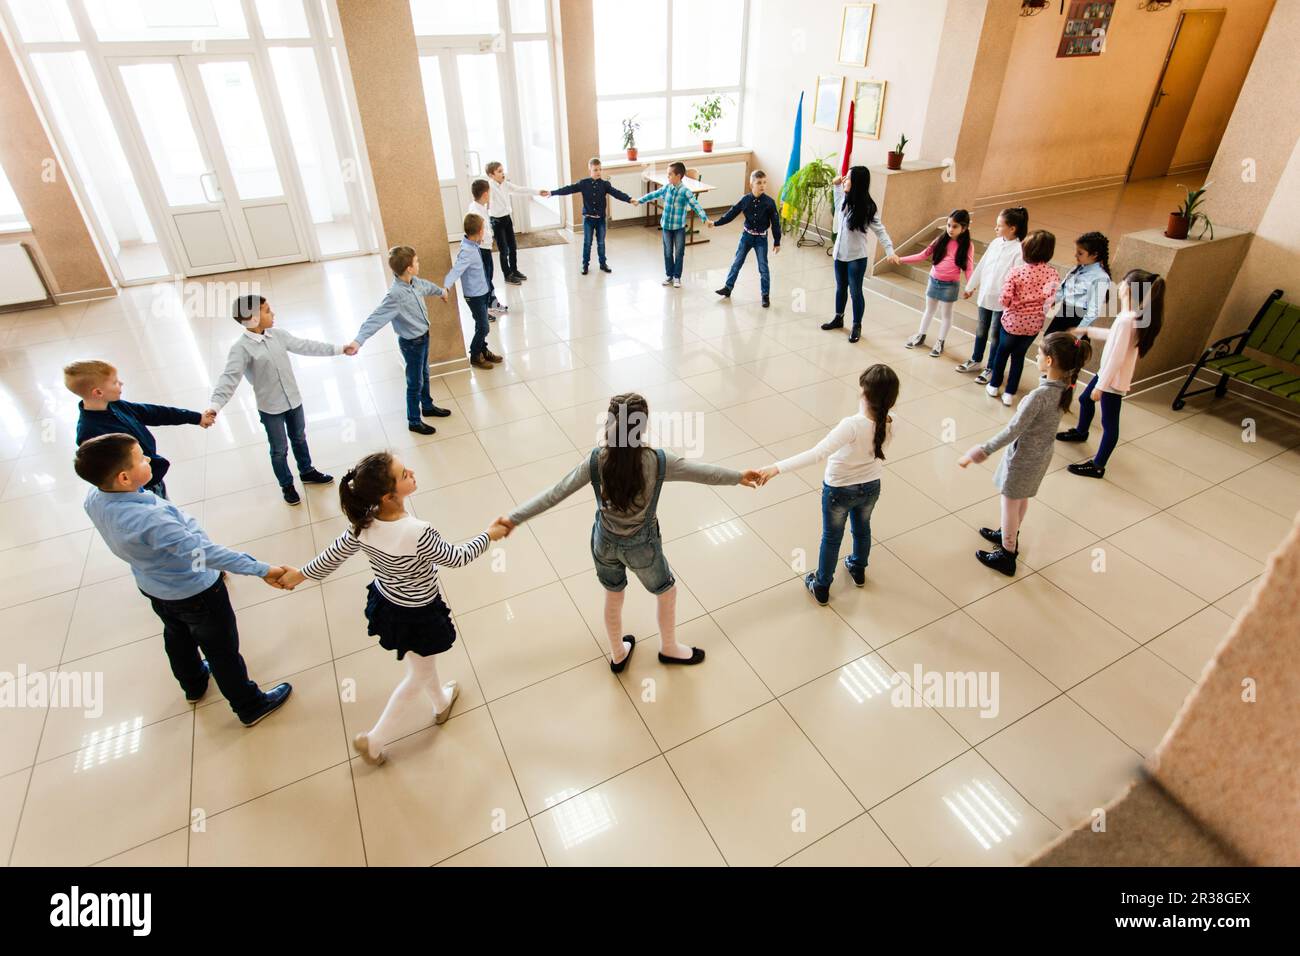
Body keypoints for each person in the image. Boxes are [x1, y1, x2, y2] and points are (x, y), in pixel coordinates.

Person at [497, 393, 764, 669]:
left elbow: (555, 492)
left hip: (604, 544)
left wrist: (512, 519)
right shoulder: (658, 461)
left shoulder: (596, 460)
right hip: (642, 547)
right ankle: (669, 648)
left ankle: (617, 654)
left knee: (613, 595)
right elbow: (703, 473)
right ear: (643, 427)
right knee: (666, 591)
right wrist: (739, 477)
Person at [279, 452, 509, 764]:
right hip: (419, 612)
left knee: (421, 664)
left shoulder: (364, 522)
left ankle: (441, 702)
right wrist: (489, 535)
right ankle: (375, 740)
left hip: (389, 604)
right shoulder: (418, 531)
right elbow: (457, 558)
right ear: (389, 496)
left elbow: (332, 556)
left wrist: (301, 574)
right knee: (418, 672)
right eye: (404, 475)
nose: (411, 472)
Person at [75, 433, 293, 726]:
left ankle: (193, 683)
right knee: (222, 651)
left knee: (177, 635)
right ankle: (249, 705)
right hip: (196, 591)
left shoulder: (95, 498)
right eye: (141, 457)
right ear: (125, 478)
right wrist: (262, 569)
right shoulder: (151, 521)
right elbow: (203, 554)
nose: (149, 459)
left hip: (154, 587)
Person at [756, 364, 899, 605]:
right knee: (862, 529)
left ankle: (822, 585)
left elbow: (817, 454)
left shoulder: (852, 425)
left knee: (832, 538)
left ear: (863, 392)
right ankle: (858, 568)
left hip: (839, 491)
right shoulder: (893, 421)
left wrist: (776, 468)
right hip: (872, 486)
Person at [958, 332, 1092, 575]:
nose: (1037, 357)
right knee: (1021, 498)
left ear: (1050, 361)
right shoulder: (1064, 387)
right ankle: (1008, 533)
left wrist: (979, 451)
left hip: (1023, 458)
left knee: (1009, 501)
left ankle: (1007, 553)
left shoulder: (1038, 396)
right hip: (1040, 455)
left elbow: (1012, 431)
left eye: (1040, 353)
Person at [206, 295, 342, 504]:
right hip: (271, 409)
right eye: (267, 310)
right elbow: (229, 378)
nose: (273, 313)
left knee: (299, 438)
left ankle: (306, 471)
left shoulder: (277, 335)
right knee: (279, 449)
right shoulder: (241, 349)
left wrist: (338, 349)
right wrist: (215, 406)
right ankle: (286, 485)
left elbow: (305, 345)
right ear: (252, 318)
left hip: (293, 401)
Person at [1057, 269, 1166, 479]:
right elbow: (1116, 338)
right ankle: (1081, 432)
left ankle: (1098, 465)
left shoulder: (1128, 320)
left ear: (1129, 288)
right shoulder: (1131, 317)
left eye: (1123, 282)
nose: (1120, 285)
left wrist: (1100, 386)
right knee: (1084, 400)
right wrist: (1088, 331)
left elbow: (1117, 355)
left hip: (1113, 380)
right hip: (1108, 374)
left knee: (1109, 424)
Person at [66, 359, 213, 500]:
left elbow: (155, 413)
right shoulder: (89, 434)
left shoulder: (117, 405)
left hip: (151, 475)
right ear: (98, 392)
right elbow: (104, 475)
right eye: (115, 382)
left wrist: (196, 418)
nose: (121, 383)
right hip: (138, 490)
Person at [345, 245, 454, 436]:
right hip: (412, 344)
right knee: (414, 382)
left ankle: (427, 406)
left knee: (424, 374)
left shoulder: (414, 282)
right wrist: (358, 341)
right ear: (409, 268)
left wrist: (441, 292)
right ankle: (413, 420)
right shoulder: (395, 295)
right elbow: (375, 318)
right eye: (416, 261)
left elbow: (427, 286)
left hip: (424, 338)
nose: (419, 263)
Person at [979, 229, 1061, 406]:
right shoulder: (1053, 274)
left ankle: (994, 385)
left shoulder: (1016, 272)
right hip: (1033, 325)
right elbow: (1051, 301)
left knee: (1002, 353)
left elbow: (1005, 299)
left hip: (1012, 323)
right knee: (1018, 357)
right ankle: (1010, 392)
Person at [821, 165, 895, 344]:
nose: (845, 179)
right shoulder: (846, 200)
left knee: (855, 292)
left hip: (856, 258)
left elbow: (881, 231)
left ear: (858, 183)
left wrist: (890, 250)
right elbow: (837, 202)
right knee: (840, 288)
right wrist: (837, 186)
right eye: (845, 177)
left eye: (849, 178)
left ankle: (856, 326)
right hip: (840, 255)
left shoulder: (868, 207)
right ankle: (838, 318)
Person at [957, 207, 1027, 374]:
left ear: (1012, 228)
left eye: (999, 225)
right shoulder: (995, 243)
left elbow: (1016, 279)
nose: (995, 228)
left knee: (995, 336)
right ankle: (976, 359)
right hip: (985, 295)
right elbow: (982, 265)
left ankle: (991, 368)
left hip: (1001, 302)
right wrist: (970, 286)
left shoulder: (1019, 250)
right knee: (981, 330)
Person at [895, 209, 974, 358]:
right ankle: (921, 335)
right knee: (929, 310)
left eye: (955, 226)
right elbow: (922, 255)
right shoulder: (940, 239)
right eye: (949, 225)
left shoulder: (968, 245)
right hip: (934, 280)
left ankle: (940, 342)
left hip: (950, 285)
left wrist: (970, 287)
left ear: (964, 228)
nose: (950, 229)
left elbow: (969, 268)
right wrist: (901, 259)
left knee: (946, 315)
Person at [546, 157, 638, 274]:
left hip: (600, 220)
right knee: (587, 243)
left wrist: (629, 199)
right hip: (588, 219)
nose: (598, 172)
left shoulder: (605, 185)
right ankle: (585, 265)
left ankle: (603, 264)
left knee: (601, 243)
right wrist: (552, 193)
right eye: (595, 170)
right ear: (590, 170)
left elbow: (616, 193)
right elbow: (568, 189)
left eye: (600, 169)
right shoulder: (583, 183)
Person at [713, 169, 782, 308]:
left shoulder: (769, 203)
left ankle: (765, 295)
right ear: (752, 184)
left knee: (763, 267)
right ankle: (728, 288)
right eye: (759, 183)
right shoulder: (745, 200)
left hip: (761, 239)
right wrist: (716, 223)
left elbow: (775, 223)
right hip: (746, 237)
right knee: (737, 262)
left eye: (764, 183)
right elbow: (731, 213)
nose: (762, 185)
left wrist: (777, 241)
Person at [638, 161, 711, 288]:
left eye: (670, 174)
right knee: (667, 252)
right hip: (666, 226)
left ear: (678, 176)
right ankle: (669, 275)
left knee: (679, 252)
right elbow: (653, 195)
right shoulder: (667, 188)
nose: (668, 177)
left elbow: (695, 205)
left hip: (679, 228)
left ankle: (677, 276)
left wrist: (704, 218)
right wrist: (640, 200)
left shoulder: (685, 191)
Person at [444, 213, 501, 371]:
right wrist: (446, 286)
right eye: (484, 229)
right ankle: (475, 355)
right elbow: (456, 270)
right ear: (480, 231)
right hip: (474, 296)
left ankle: (483, 350)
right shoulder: (467, 252)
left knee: (480, 324)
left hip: (482, 292)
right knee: (484, 327)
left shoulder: (474, 245)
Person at [484, 160, 544, 284]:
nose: (502, 173)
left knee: (513, 246)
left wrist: (538, 192)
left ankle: (514, 270)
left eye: (502, 170)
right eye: (499, 171)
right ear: (491, 175)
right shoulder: (489, 187)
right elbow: (486, 205)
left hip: (507, 219)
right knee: (503, 250)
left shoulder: (505, 183)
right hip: (496, 221)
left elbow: (519, 189)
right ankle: (507, 275)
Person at [1044, 231, 1111, 335]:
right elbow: (1063, 288)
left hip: (1077, 320)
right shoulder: (1077, 268)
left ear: (1094, 255)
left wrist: (1078, 332)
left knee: (1062, 349)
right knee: (1047, 344)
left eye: (1080, 253)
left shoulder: (1101, 278)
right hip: (1063, 314)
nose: (1075, 255)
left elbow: (1093, 311)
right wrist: (1053, 300)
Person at [467, 178, 508, 318]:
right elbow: (477, 232)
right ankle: (484, 310)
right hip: (481, 250)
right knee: (484, 279)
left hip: (485, 248)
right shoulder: (475, 211)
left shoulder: (480, 207)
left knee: (488, 277)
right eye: (489, 193)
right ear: (485, 194)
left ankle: (492, 302)